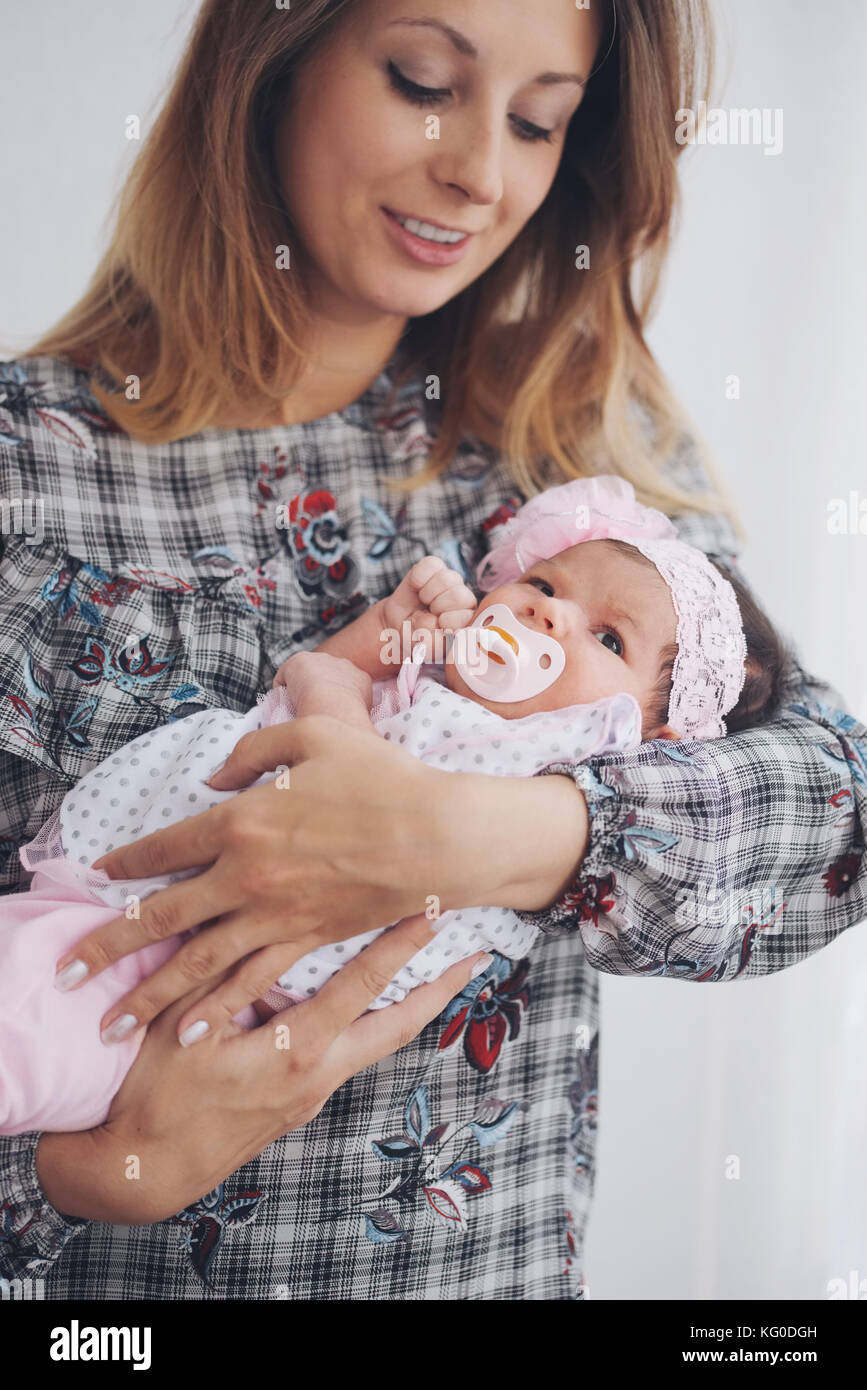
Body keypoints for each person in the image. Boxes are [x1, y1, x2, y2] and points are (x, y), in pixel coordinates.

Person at [0, 0, 863, 1298]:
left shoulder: (577, 452)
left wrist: (468, 838)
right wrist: (93, 1170)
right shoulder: (27, 474)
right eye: (421, 81)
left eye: (536, 122)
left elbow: (829, 815)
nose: (481, 172)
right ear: (270, 61)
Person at [0, 474, 790, 1135]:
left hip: (238, 1014)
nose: (549, 613)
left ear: (652, 734)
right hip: (129, 892)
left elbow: (813, 792)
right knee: (31, 1006)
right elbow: (313, 683)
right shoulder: (429, 681)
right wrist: (376, 638)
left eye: (609, 640)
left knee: (68, 1060)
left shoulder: (559, 772)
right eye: (544, 585)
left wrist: (339, 712)